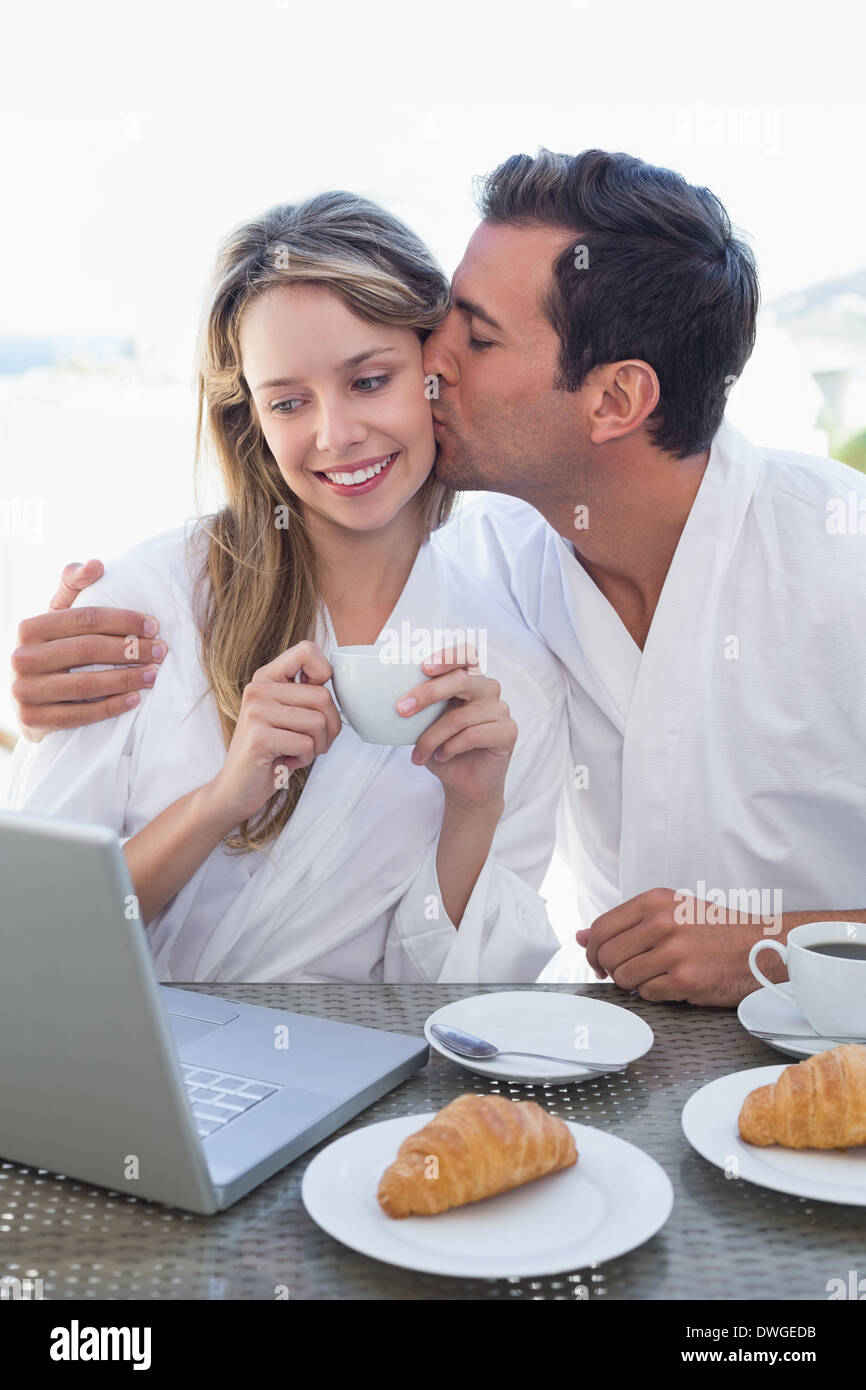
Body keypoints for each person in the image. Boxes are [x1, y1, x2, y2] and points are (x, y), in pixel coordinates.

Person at [16, 150, 866, 1007]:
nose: (435, 360)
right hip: (641, 1066)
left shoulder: (841, 556)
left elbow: (454, 967)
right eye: (288, 400)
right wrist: (60, 669)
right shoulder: (505, 556)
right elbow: (36, 930)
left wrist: (783, 944)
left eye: (475, 336)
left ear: (615, 401)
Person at [4, 192, 569, 984]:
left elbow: (457, 1002)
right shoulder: (142, 608)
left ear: (433, 372)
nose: (335, 435)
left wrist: (473, 813)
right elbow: (36, 937)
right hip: (147, 1079)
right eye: (289, 402)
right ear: (253, 422)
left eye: (369, 381)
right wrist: (218, 804)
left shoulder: (512, 668)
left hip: (368, 1093)